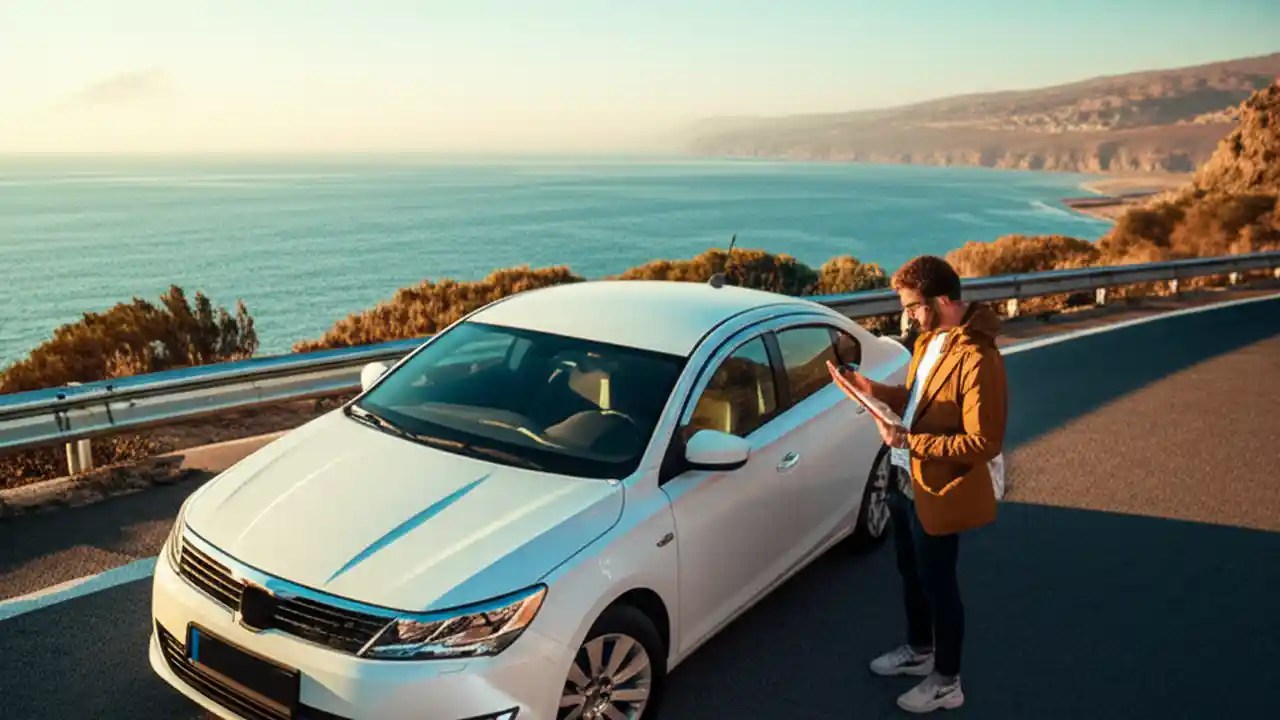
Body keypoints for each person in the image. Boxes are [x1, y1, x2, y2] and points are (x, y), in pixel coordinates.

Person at [840, 255, 1007, 714]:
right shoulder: (929, 341)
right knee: (910, 573)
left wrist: (912, 441)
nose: (907, 317)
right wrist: (872, 390)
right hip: (904, 476)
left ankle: (947, 681)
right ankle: (919, 650)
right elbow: (915, 402)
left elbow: (983, 442)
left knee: (940, 584)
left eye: (913, 307)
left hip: (938, 487)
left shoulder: (979, 359)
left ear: (942, 300)